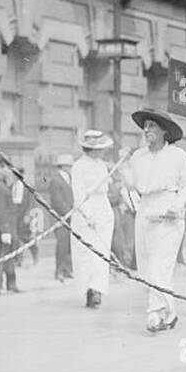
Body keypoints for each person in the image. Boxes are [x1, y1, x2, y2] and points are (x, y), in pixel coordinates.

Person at [125, 108, 186, 333]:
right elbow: (132, 186)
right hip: (145, 211)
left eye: (152, 126)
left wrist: (178, 206)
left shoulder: (178, 156)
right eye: (145, 126)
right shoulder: (138, 157)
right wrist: (123, 168)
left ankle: (154, 314)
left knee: (160, 265)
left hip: (169, 211)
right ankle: (170, 313)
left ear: (164, 130)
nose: (146, 130)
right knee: (147, 268)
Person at [71, 129, 116, 308]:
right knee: (86, 253)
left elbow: (106, 189)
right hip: (85, 209)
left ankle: (97, 289)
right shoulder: (79, 166)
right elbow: (79, 193)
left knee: (102, 252)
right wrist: (88, 214)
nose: (103, 151)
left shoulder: (101, 165)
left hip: (103, 208)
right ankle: (88, 289)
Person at [0, 160, 21, 295]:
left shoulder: (2, 185)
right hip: (2, 230)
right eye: (6, 168)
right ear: (0, 169)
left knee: (7, 257)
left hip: (6, 229)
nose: (9, 171)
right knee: (0, 257)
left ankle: (10, 285)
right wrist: (5, 230)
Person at [49, 154, 75, 281]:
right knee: (62, 245)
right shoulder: (56, 180)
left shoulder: (69, 178)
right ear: (64, 166)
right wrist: (68, 213)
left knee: (69, 245)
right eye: (69, 165)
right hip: (60, 218)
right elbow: (57, 201)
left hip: (70, 217)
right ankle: (59, 271)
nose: (71, 168)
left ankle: (67, 269)